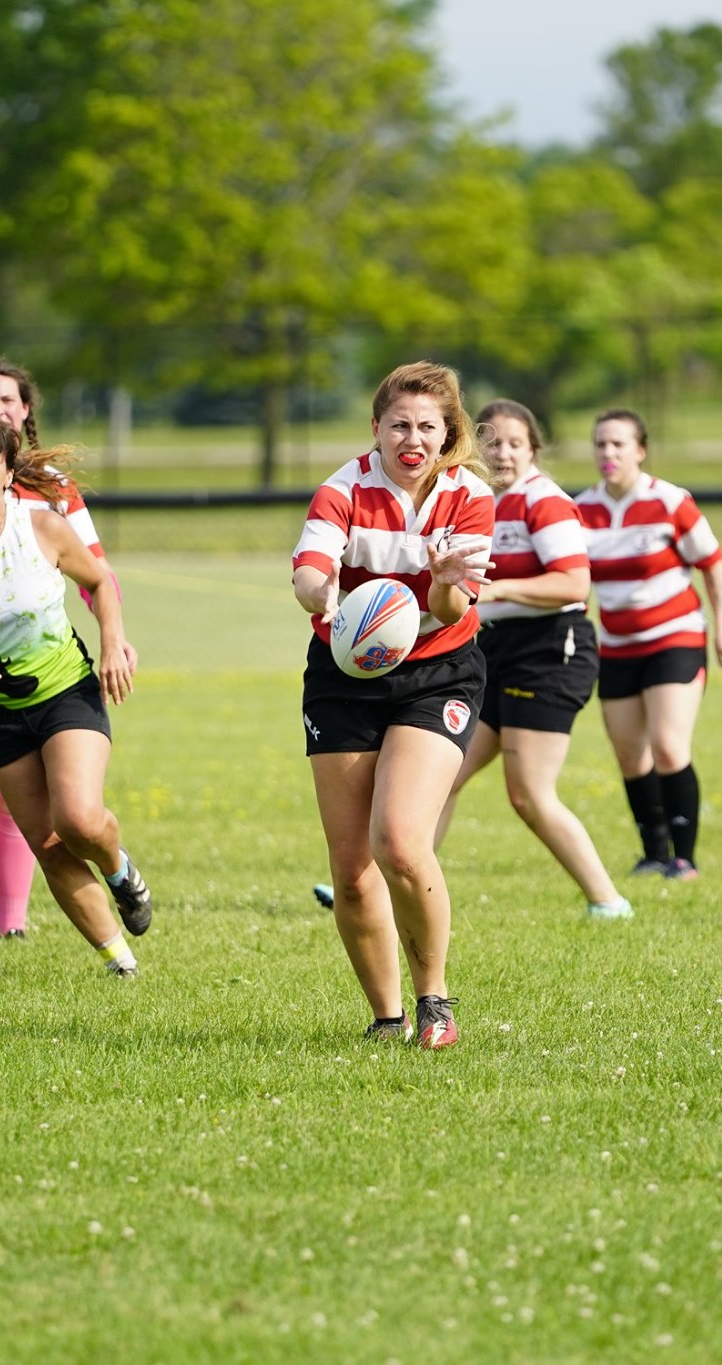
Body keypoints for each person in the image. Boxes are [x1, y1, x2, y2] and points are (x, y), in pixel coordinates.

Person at [292, 360, 494, 1049]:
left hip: (438, 671)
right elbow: (309, 570)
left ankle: (434, 998)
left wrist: (441, 578)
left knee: (402, 842)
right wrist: (321, 592)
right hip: (344, 674)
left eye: (427, 427)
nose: (412, 438)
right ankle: (386, 1016)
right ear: (376, 428)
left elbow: (453, 605)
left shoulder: (468, 498)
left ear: (448, 435)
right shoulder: (342, 489)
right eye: (399, 424)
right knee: (351, 871)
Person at [0, 417, 147, 974]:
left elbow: (98, 582)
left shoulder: (42, 527)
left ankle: (121, 870)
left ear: (8, 474)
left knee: (76, 819)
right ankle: (122, 964)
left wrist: (113, 644)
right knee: (48, 846)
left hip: (64, 691)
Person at [433, 400, 629, 920]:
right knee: (440, 776)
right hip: (494, 651)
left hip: (550, 652)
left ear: (533, 449)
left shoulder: (545, 502)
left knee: (529, 795)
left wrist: (494, 590)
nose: (502, 453)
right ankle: (388, 885)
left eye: (514, 443)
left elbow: (574, 583)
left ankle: (608, 901)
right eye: (492, 443)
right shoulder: (476, 500)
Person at [577, 409, 722, 881]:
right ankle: (653, 852)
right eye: (600, 444)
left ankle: (684, 858)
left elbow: (713, 565)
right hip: (616, 647)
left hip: (676, 639)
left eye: (618, 444)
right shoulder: (581, 509)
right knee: (631, 754)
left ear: (640, 451)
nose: (608, 453)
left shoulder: (670, 501)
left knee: (669, 747)